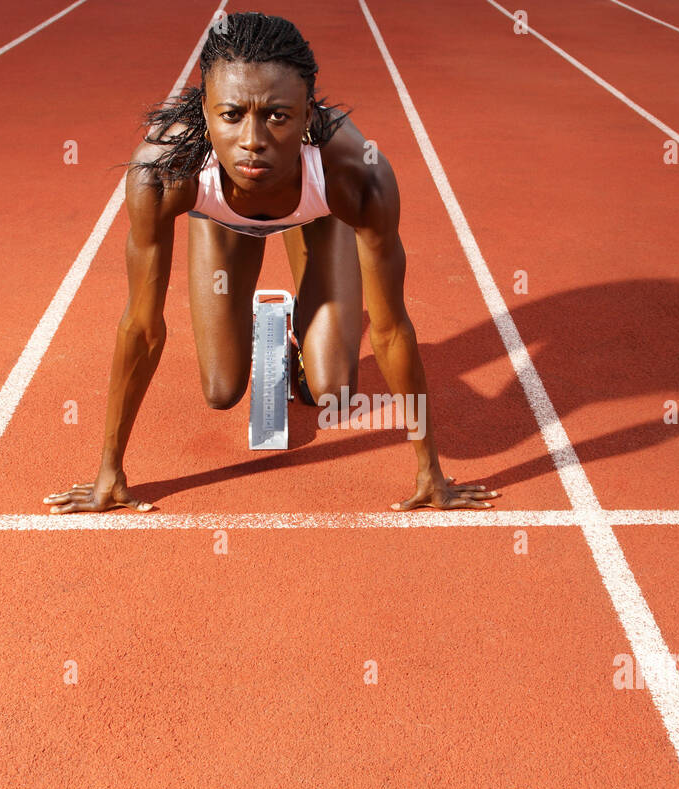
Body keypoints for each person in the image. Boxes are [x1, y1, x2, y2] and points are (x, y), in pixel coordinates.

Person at [44, 11, 499, 514]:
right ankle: (281, 324)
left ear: (308, 114)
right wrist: (110, 467)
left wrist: (429, 470)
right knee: (222, 389)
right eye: (232, 114)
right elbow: (143, 327)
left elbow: (390, 329)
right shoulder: (166, 173)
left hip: (320, 213)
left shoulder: (356, 177)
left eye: (277, 116)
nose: (253, 139)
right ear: (205, 109)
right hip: (222, 220)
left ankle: (303, 336)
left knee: (332, 394)